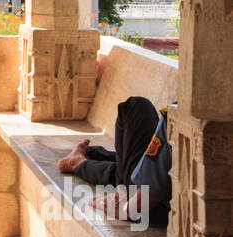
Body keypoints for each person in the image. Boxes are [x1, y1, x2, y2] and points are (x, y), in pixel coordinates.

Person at [58, 96, 172, 227]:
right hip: (166, 197)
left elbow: (151, 183)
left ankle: (79, 163)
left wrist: (128, 209)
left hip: (157, 205)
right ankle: (84, 160)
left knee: (135, 106)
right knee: (138, 167)